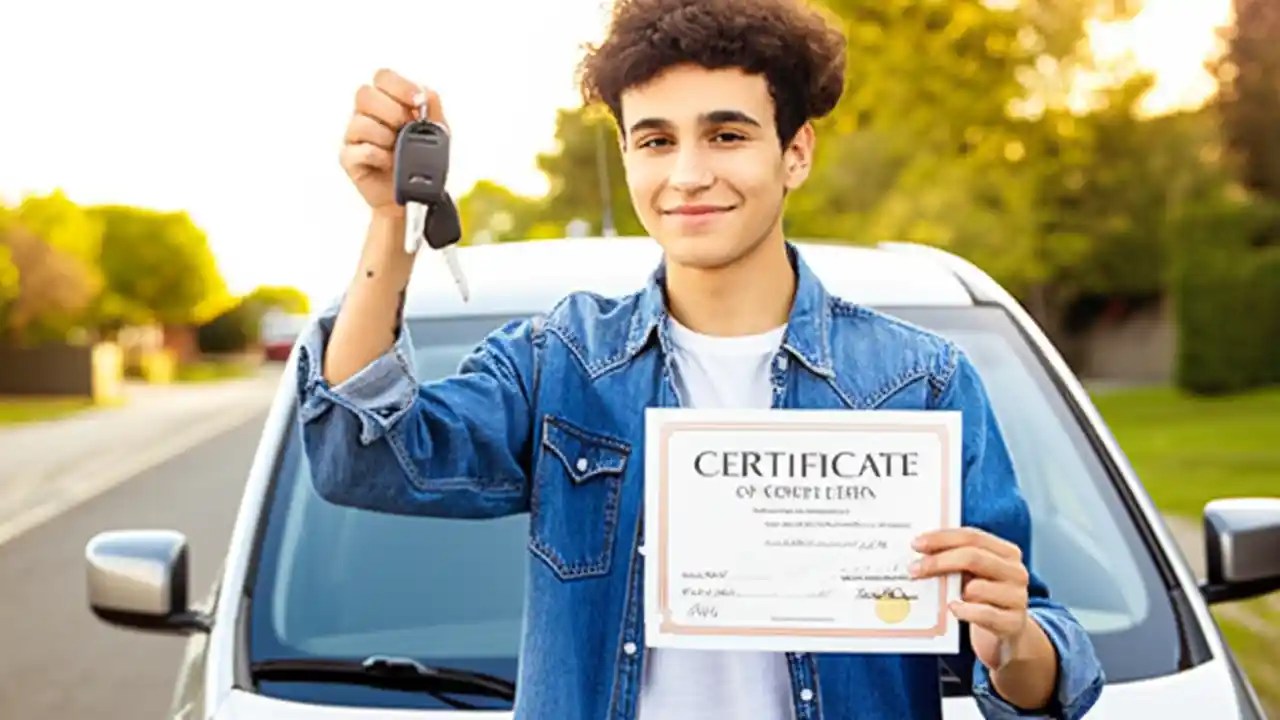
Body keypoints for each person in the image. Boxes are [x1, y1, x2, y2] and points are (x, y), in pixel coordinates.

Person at [295, 0, 1105, 717]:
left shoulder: (920, 383)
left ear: (795, 153)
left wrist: (1013, 641)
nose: (688, 174)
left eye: (726, 134)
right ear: (626, 155)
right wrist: (390, 222)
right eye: (656, 139)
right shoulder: (561, 363)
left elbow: (1038, 672)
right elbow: (361, 457)